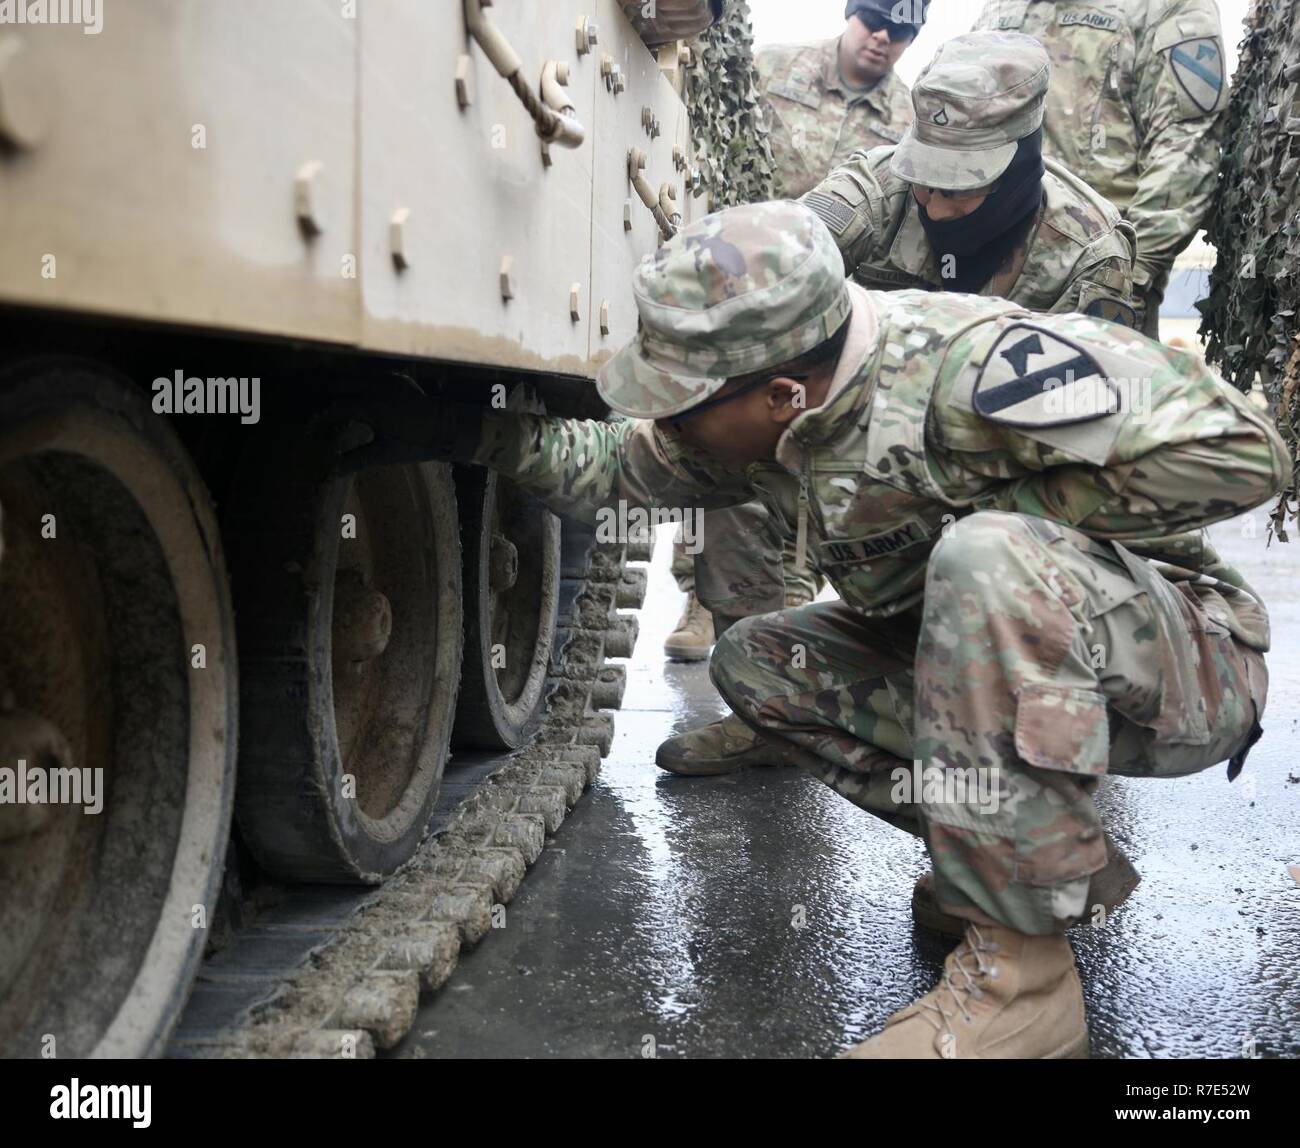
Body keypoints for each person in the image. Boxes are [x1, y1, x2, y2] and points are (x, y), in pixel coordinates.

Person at [333, 200, 1284, 1057]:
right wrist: (470, 434)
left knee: (986, 555)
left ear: (780, 392)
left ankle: (1026, 986)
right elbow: (621, 466)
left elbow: (1246, 455)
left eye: (684, 400)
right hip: (1016, 675)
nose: (669, 421)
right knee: (762, 662)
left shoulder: (966, 373)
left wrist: (1008, 505)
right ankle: (993, 863)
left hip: (1180, 668)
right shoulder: (775, 421)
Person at [659, 31, 1140, 781]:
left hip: (992, 475)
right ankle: (769, 701)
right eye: (925, 177)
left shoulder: (1088, 256)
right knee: (742, 428)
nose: (933, 202)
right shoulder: (878, 189)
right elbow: (778, 267)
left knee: (1008, 560)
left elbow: (1097, 449)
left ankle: (1020, 751)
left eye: (959, 187)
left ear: (1020, 162)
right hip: (858, 436)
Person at [664, 0, 931, 663]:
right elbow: (711, 155)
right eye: (875, 22)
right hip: (748, 294)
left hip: (838, 314)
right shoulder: (770, 71)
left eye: (902, 33)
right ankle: (702, 596)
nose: (883, 41)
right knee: (722, 437)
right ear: (853, 15)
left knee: (800, 453)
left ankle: (784, 593)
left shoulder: (910, 120)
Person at [973, 0, 1227, 335]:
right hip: (980, 276)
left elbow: (1186, 150)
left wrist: (1125, 277)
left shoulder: (1165, 8)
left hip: (1093, 287)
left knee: (1092, 388)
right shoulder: (1003, 8)